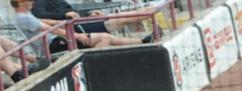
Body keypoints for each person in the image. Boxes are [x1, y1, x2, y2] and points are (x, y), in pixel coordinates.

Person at [12, 0, 145, 51]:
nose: (31, 2)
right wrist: (78, 36)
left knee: (105, 36)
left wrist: (86, 13)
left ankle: (142, 41)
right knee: (105, 36)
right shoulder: (25, 17)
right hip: (53, 45)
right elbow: (51, 28)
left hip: (64, 34)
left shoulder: (27, 15)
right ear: (21, 2)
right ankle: (92, 69)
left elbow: (48, 23)